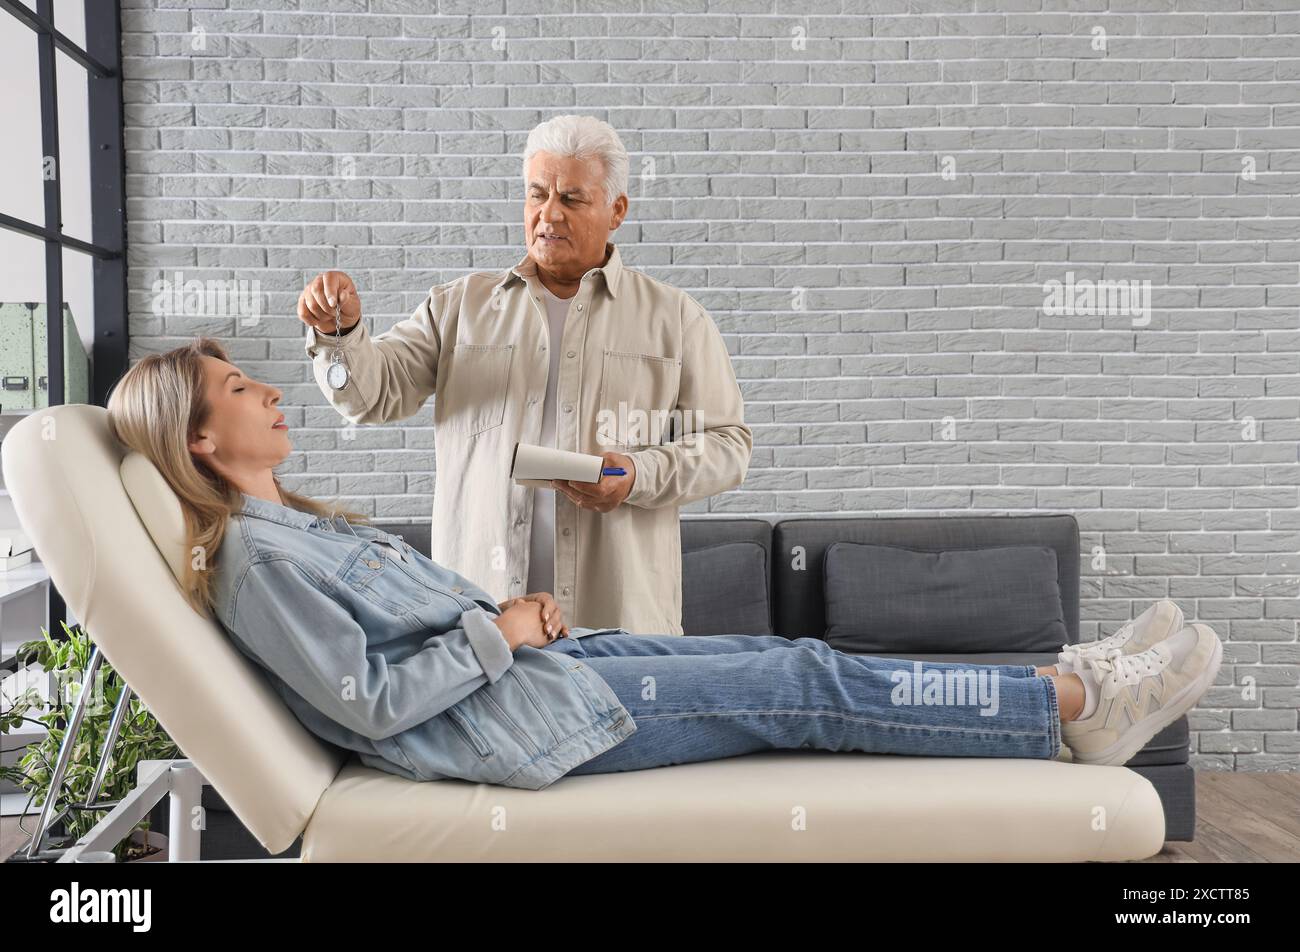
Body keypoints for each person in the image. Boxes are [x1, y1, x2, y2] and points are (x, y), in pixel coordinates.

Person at [104, 338, 1224, 791]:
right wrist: (504, 630)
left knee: (792, 656)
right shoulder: (253, 559)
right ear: (201, 440)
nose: (265, 390)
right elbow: (367, 700)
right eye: (239, 388)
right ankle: (1076, 704)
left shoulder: (296, 524)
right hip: (525, 710)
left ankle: (1056, 680)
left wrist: (511, 617)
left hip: (548, 668)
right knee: (806, 685)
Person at [295, 114, 752, 635]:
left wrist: (638, 476)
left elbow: (728, 445)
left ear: (617, 210)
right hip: (483, 627)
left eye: (572, 199)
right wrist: (341, 333)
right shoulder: (459, 307)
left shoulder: (676, 318)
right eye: (536, 195)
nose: (548, 215)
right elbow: (372, 397)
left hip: (619, 629)